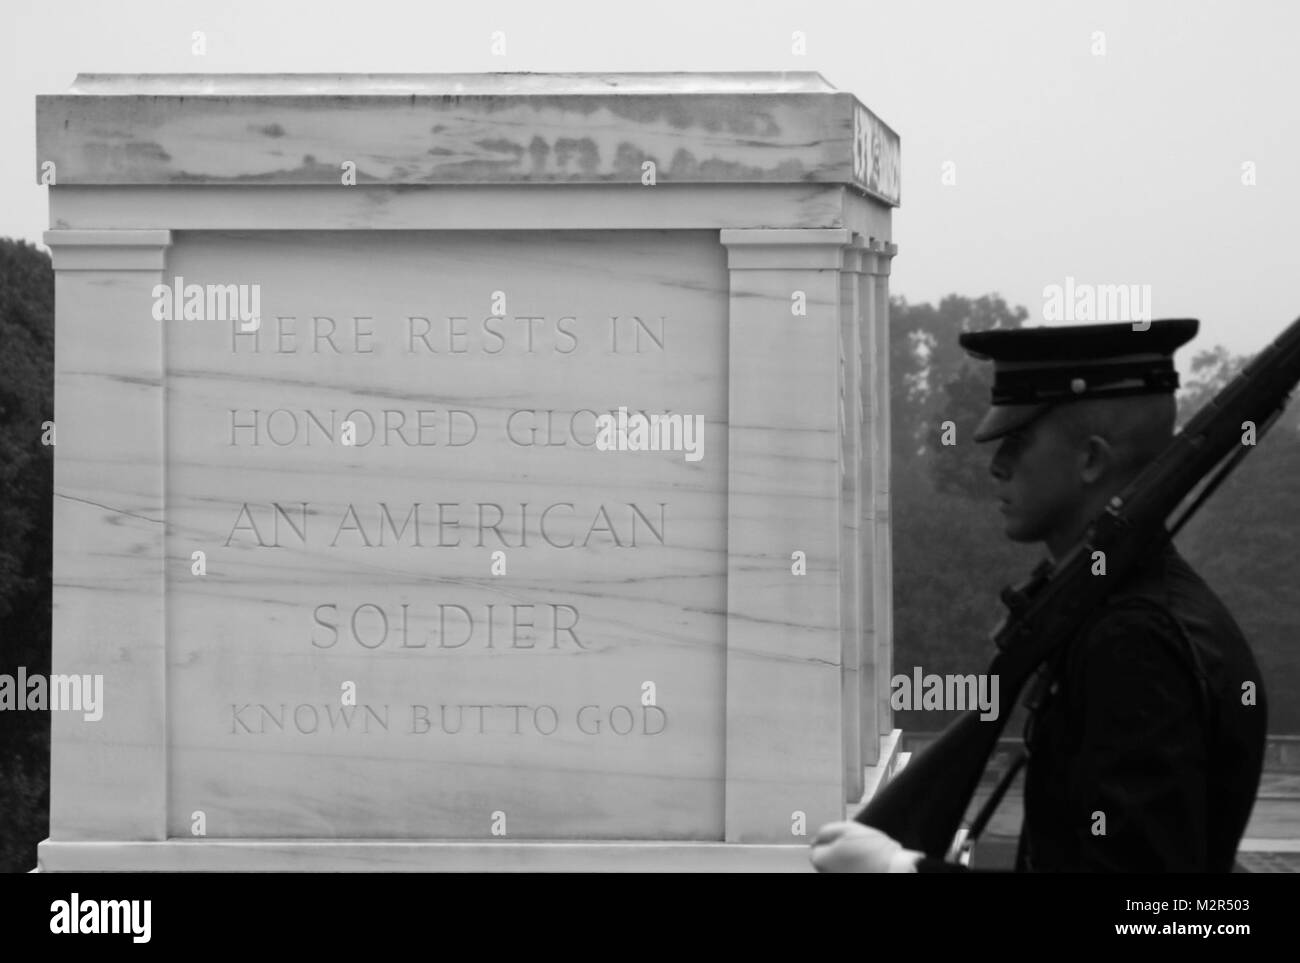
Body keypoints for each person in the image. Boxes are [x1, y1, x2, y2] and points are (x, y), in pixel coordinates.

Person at [811, 318, 1267, 873]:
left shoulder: (1133, 640)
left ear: (1091, 459)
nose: (996, 466)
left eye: (1017, 443)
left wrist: (902, 870)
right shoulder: (1119, 613)